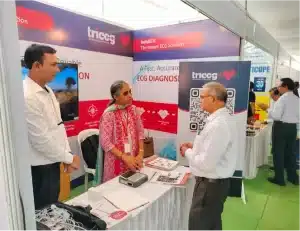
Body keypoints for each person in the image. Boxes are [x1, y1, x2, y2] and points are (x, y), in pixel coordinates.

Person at [23, 44, 81, 210]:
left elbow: (57, 127)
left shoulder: (46, 89)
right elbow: (40, 140)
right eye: (53, 64)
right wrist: (69, 158)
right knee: (42, 213)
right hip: (40, 169)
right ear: (36, 66)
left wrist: (66, 154)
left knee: (51, 209)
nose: (57, 70)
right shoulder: (28, 96)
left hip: (52, 161)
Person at [180, 82, 238, 231]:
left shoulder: (218, 124)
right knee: (211, 223)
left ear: (213, 99)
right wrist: (196, 147)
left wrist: (186, 152)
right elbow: (215, 148)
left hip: (209, 186)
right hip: (214, 184)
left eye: (202, 97)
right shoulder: (221, 119)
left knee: (199, 224)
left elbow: (206, 163)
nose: (199, 100)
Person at [99, 80, 144, 182]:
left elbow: (141, 133)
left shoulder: (133, 110)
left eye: (130, 92)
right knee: (116, 192)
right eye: (125, 93)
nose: (130, 96)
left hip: (133, 159)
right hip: (116, 161)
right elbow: (105, 142)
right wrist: (124, 157)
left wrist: (140, 154)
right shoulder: (109, 114)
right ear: (115, 97)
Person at [262, 78, 300, 186]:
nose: (278, 88)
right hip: (292, 128)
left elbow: (276, 116)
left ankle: (279, 178)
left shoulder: (283, 99)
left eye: (279, 86)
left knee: (278, 153)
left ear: (286, 87)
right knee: (291, 153)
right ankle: (293, 178)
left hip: (281, 127)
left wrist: (267, 109)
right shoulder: (297, 99)